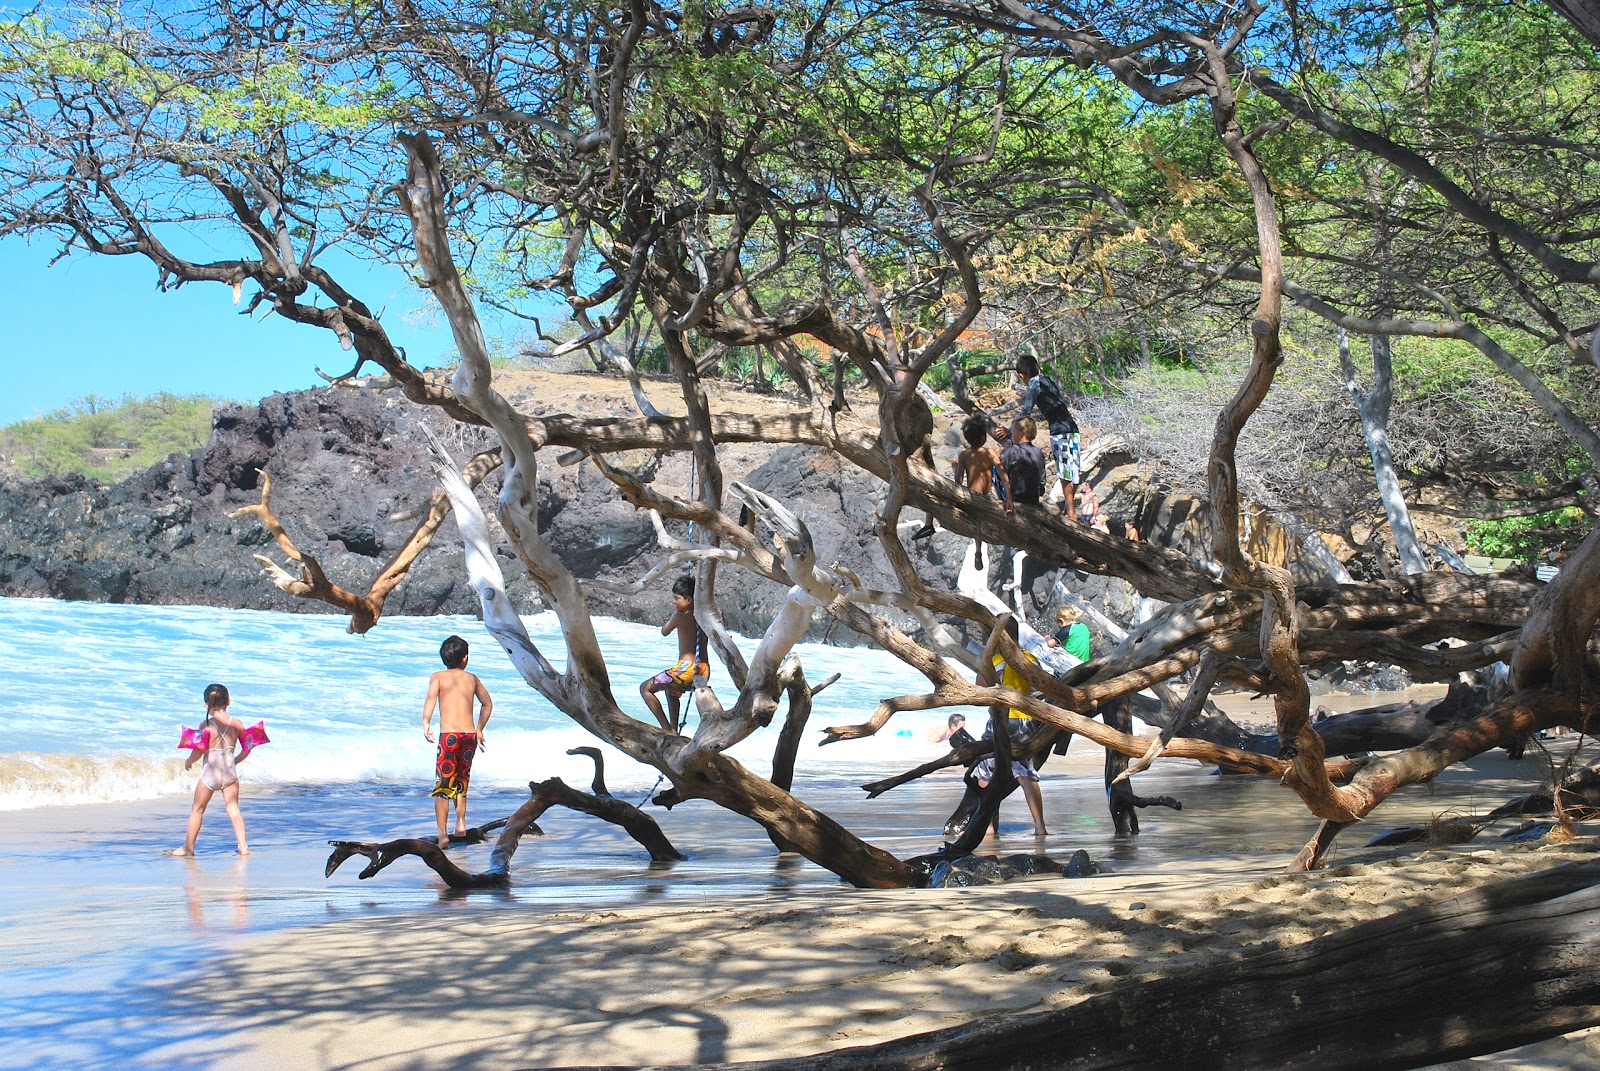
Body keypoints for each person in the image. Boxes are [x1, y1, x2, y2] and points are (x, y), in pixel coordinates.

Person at [972, 620, 1048, 837]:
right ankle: (1040, 826)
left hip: (1000, 722)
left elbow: (978, 689)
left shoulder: (994, 660)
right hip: (1025, 721)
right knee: (1026, 775)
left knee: (985, 772)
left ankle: (988, 826)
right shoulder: (1030, 659)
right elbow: (1042, 687)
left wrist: (984, 663)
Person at [423, 634, 494, 849]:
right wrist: (479, 729)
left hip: (450, 737)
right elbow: (487, 704)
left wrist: (426, 722)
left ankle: (442, 834)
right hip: (468, 737)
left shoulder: (437, 677)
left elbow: (430, 700)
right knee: (462, 779)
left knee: (444, 784)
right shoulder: (472, 679)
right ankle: (461, 823)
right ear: (465, 658)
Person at [994, 353, 1081, 519]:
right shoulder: (1047, 379)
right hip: (1071, 429)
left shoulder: (1034, 383)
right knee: (1071, 470)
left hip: (1060, 431)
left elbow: (1026, 411)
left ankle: (1071, 513)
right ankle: (1070, 511)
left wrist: (1009, 430)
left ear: (1022, 375)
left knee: (1065, 472)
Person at [173, 683, 251, 856]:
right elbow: (248, 748)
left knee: (198, 810)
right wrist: (236, 760)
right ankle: (243, 847)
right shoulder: (237, 724)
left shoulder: (205, 725)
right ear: (229, 701)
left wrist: (188, 762)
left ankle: (188, 848)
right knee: (233, 808)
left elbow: (199, 751)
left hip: (210, 774)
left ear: (206, 705)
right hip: (230, 773)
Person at [641, 574, 710, 733]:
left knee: (645, 688)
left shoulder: (680, 616)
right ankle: (673, 729)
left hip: (686, 670)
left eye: (676, 598)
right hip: (703, 670)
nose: (673, 601)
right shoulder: (704, 616)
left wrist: (674, 618)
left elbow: (664, 631)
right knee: (671, 691)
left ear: (688, 600)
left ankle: (666, 729)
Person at [953, 413, 1012, 568]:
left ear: (966, 437)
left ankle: (978, 551)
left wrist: (957, 497)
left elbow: (958, 480)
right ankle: (981, 551)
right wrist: (1009, 497)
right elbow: (1003, 475)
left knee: (978, 526)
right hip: (986, 496)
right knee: (986, 522)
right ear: (983, 436)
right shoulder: (989, 452)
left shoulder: (964, 455)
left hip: (971, 496)